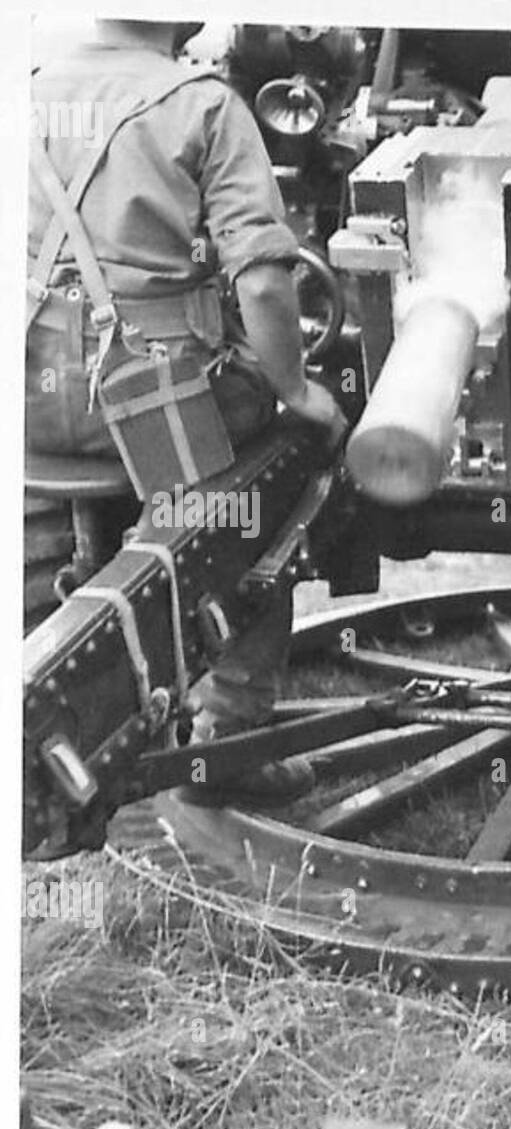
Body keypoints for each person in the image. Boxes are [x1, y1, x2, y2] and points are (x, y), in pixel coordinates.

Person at [27, 18, 348, 803]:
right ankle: (229, 737)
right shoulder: (203, 105)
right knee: (278, 462)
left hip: (29, 408)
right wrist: (298, 393)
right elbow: (266, 283)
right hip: (153, 404)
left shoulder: (25, 94)